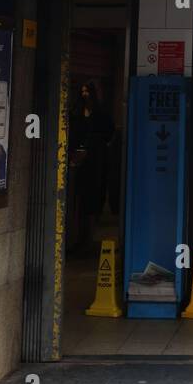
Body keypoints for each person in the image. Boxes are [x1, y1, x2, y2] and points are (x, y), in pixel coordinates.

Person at [68, 80, 115, 255]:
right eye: (82, 91)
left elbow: (109, 134)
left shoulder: (101, 114)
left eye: (87, 91)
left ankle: (89, 235)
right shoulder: (76, 112)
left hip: (96, 160)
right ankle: (79, 236)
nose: (85, 95)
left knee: (94, 196)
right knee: (79, 197)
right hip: (79, 161)